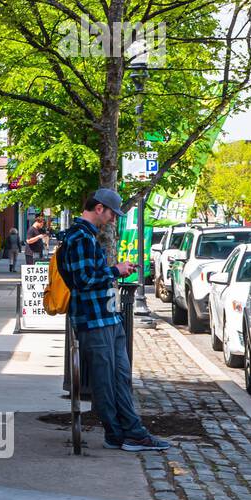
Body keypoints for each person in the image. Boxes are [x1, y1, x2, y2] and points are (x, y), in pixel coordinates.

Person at [57, 188, 170, 452]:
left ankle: (130, 432)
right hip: (94, 319)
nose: (113, 219)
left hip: (106, 317)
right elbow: (82, 281)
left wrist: (114, 271)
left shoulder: (85, 237)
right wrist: (114, 270)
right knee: (106, 380)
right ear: (99, 208)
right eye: (111, 213)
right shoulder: (80, 238)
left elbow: (88, 276)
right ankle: (120, 433)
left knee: (119, 376)